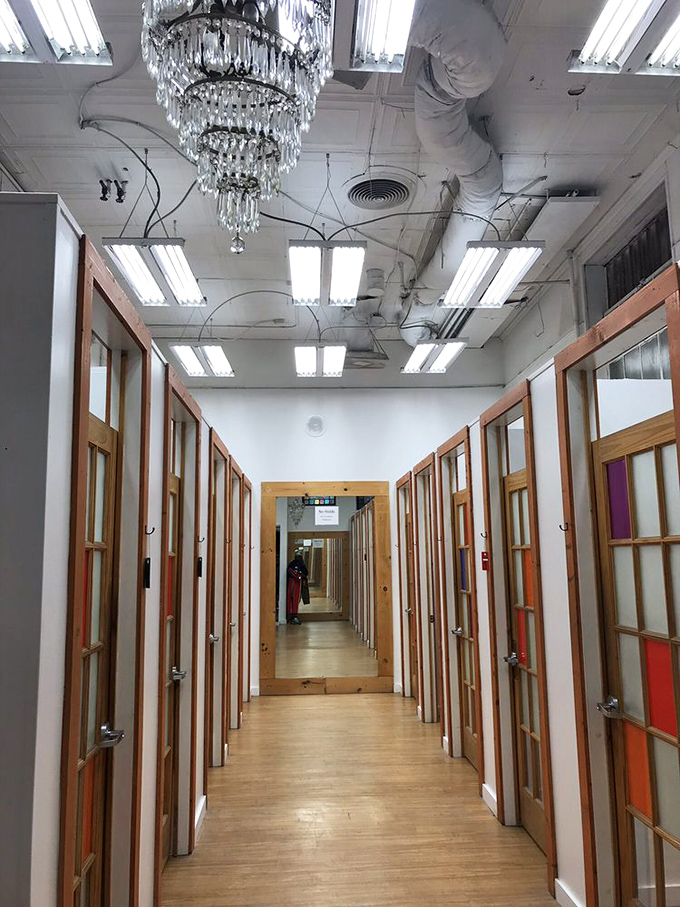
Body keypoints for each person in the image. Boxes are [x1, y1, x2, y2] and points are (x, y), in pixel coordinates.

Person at [286, 553, 308, 625]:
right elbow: (291, 572)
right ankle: (292, 616)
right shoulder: (293, 564)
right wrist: (298, 576)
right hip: (294, 583)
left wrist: (301, 576)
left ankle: (293, 616)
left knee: (296, 600)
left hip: (298, 584)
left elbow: (305, 573)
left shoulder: (300, 564)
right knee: (293, 599)